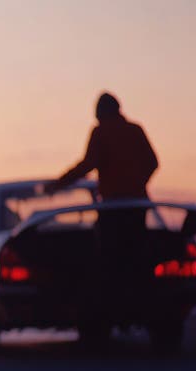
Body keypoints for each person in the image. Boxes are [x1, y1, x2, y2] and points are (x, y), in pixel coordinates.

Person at [46, 92, 159, 329]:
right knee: (138, 256)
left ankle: (110, 308)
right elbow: (153, 162)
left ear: (100, 113)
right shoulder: (135, 130)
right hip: (138, 207)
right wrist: (137, 183)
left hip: (113, 209)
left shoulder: (101, 132)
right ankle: (142, 304)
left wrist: (59, 184)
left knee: (108, 260)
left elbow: (88, 164)